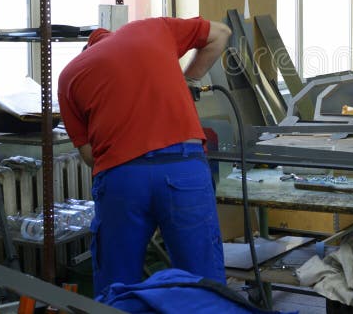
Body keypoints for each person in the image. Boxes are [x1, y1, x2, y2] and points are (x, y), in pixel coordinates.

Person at [58, 16, 232, 297]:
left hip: (122, 178)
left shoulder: (69, 76)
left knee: (117, 285)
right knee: (203, 282)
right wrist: (190, 80)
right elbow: (221, 33)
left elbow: (90, 154)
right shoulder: (152, 28)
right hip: (182, 168)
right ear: (111, 35)